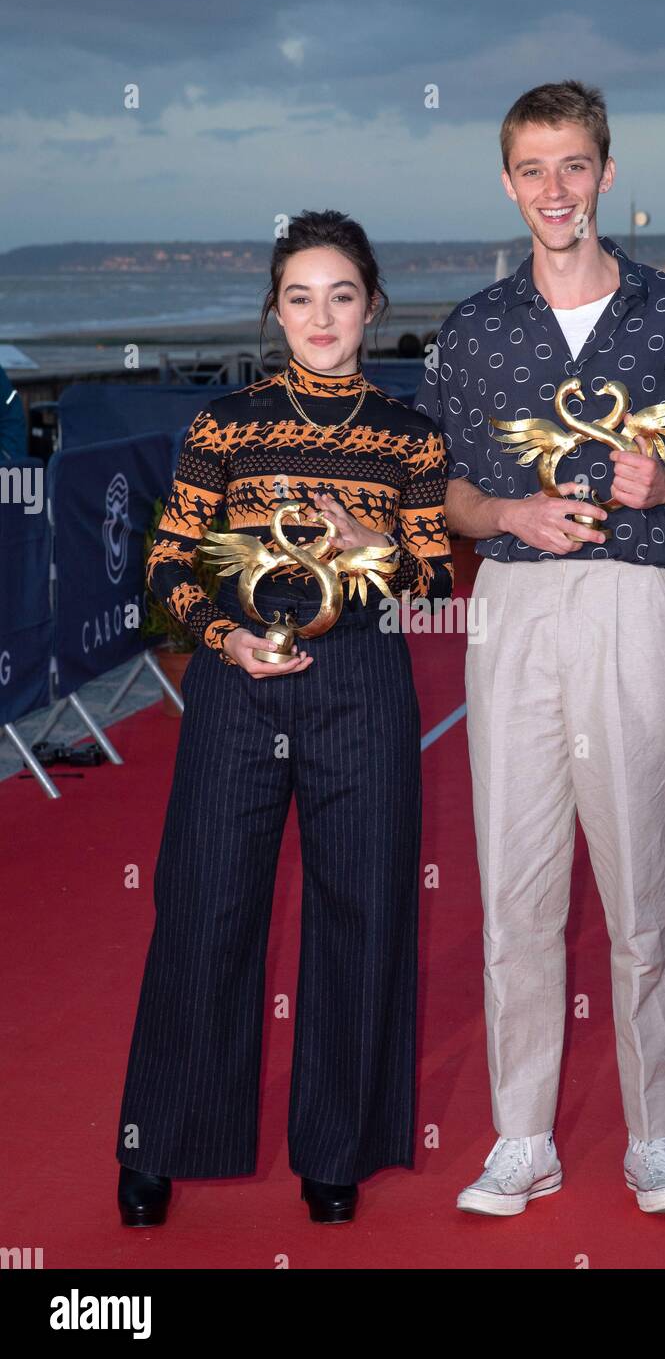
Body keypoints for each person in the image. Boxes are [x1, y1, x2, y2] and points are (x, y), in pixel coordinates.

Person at [413, 80, 665, 1217]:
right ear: (506, 183)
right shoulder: (471, 327)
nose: (553, 190)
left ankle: (651, 1133)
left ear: (604, 174)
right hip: (513, 607)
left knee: (640, 888)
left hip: (632, 605)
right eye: (530, 169)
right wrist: (505, 515)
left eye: (572, 166)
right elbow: (447, 492)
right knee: (514, 894)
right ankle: (522, 1139)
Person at [116, 209, 453, 1226]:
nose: (321, 314)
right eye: (299, 296)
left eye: (340, 295)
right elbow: (171, 565)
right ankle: (160, 1142)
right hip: (235, 682)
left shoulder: (411, 438)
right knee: (206, 904)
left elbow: (434, 574)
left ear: (372, 307)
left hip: (360, 681)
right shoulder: (222, 425)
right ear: (274, 310)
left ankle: (336, 1150)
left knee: (364, 905)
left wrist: (371, 546)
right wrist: (227, 643)